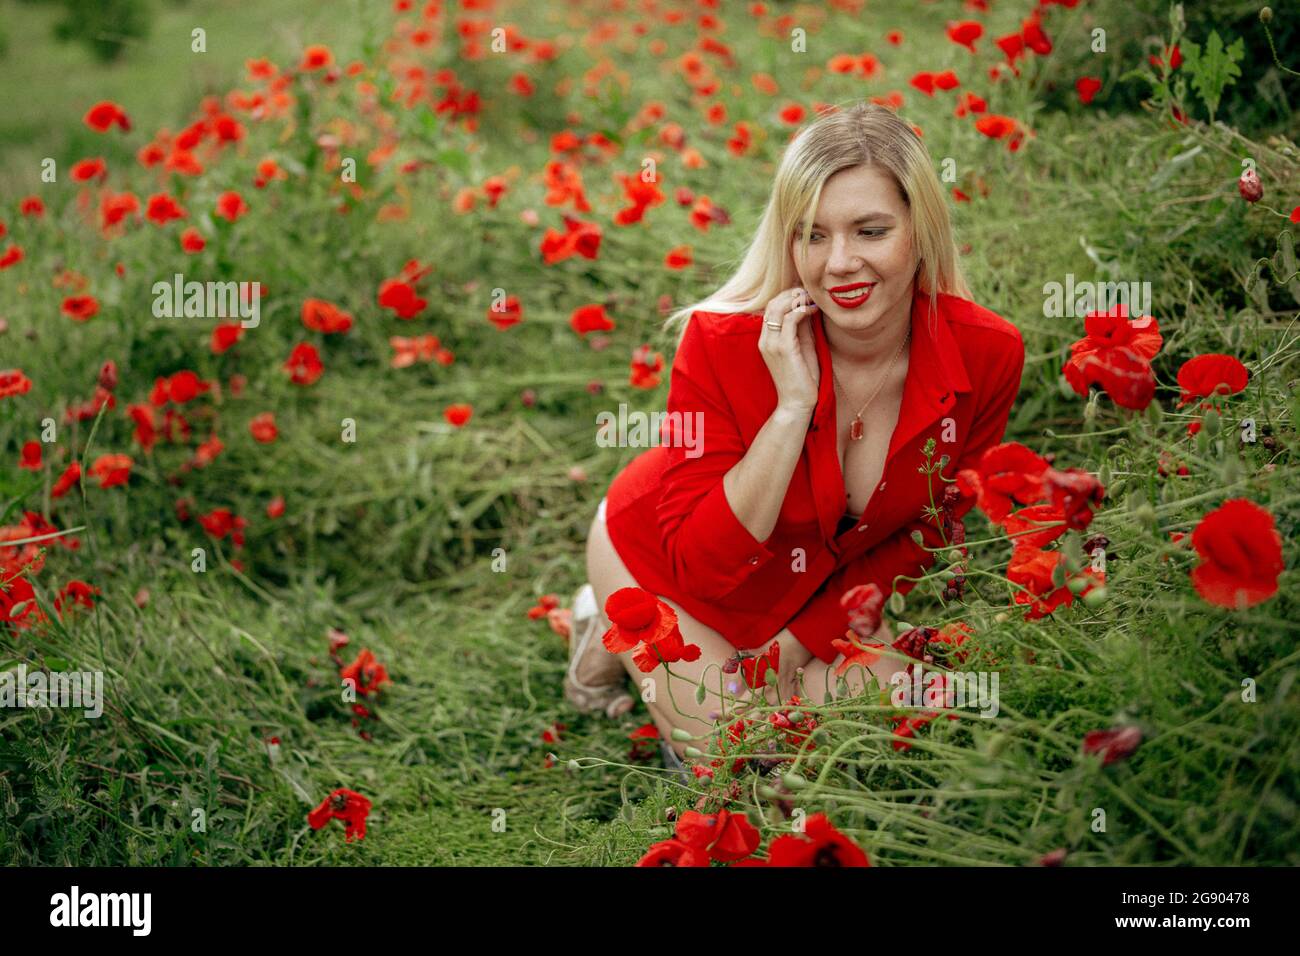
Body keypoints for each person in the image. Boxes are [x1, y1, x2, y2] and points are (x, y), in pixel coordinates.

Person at [565, 102, 1025, 762]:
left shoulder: (988, 353)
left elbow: (929, 524)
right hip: (670, 568)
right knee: (745, 759)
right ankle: (604, 616)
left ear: (919, 232)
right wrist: (790, 411)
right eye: (813, 234)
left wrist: (795, 645)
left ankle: (694, 691)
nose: (839, 262)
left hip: (806, 595)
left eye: (870, 231)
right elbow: (703, 560)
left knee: (907, 705)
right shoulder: (719, 343)